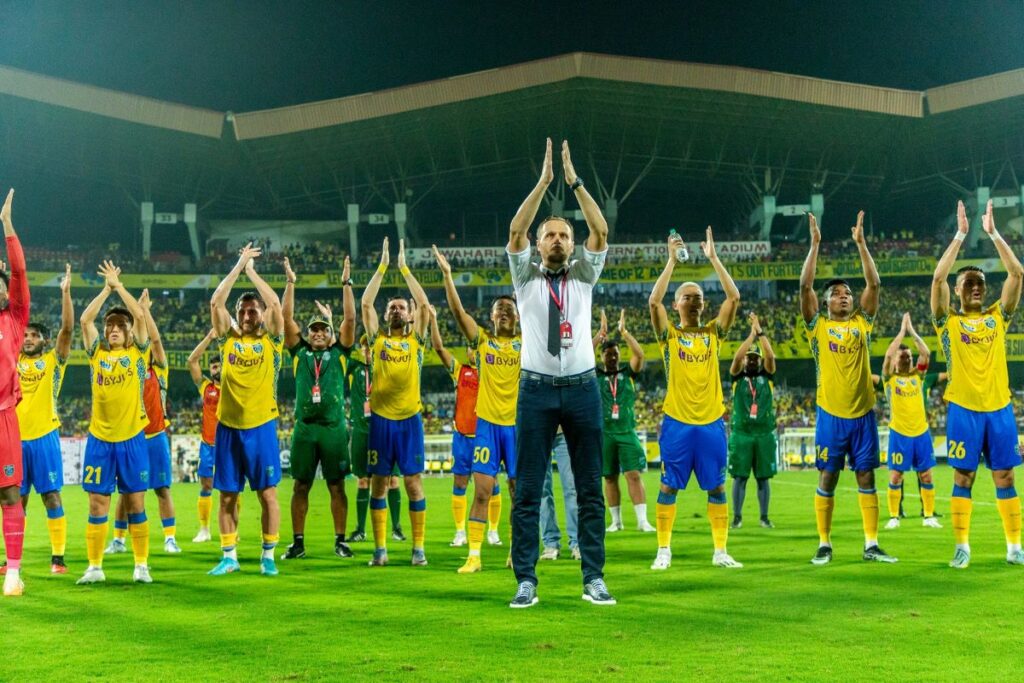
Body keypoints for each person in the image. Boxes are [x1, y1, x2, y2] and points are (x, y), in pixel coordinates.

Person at [507, 139, 613, 608]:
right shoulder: (524, 276)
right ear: (538, 244)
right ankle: (526, 580)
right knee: (529, 491)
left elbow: (601, 230)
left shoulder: (584, 276)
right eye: (549, 235)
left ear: (572, 245)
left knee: (589, 490)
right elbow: (515, 229)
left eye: (563, 236)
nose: (556, 240)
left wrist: (574, 182)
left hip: (583, 390)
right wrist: (544, 182)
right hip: (536, 392)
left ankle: (594, 578)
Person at [931, 200, 1024, 568]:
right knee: (964, 476)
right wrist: (960, 235)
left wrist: (994, 233)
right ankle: (962, 547)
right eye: (968, 283)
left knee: (1005, 475)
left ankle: (1014, 547)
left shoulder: (997, 318)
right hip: (964, 408)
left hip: (999, 407)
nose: (976, 287)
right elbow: (937, 279)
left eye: (980, 283)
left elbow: (1016, 274)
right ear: (957, 290)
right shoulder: (947, 323)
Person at [800, 211, 895, 565]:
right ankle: (824, 544)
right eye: (837, 294)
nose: (844, 297)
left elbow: (875, 285)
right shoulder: (817, 326)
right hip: (830, 414)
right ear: (825, 302)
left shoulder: (862, 322)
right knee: (828, 476)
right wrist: (814, 245)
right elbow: (805, 287)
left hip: (863, 414)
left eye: (847, 294)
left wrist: (861, 244)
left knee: (867, 475)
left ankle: (871, 544)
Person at [649, 228, 742, 571]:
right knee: (667, 486)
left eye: (698, 296)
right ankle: (664, 550)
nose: (694, 299)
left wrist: (714, 259)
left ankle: (720, 551)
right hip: (677, 421)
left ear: (704, 304)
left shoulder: (714, 333)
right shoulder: (669, 335)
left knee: (717, 486)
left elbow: (733, 298)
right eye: (687, 296)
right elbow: (653, 302)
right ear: (676, 305)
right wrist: (671, 262)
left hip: (711, 422)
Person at [434, 245, 522, 573]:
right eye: (499, 309)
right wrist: (448, 276)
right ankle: (474, 555)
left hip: (517, 427)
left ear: (518, 316)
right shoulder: (482, 342)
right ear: (491, 317)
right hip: (486, 426)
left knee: (518, 494)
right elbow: (458, 314)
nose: (503, 312)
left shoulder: (527, 343)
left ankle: (516, 552)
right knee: (482, 491)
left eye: (509, 309)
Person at [207, 243, 285, 577]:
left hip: (261, 426)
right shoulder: (226, 339)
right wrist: (239, 266)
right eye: (242, 311)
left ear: (262, 315)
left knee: (267, 494)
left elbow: (276, 304)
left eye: (253, 311)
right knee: (227, 496)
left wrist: (252, 272)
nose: (247, 316)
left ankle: (268, 556)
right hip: (228, 427)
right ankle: (229, 557)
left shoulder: (272, 341)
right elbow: (216, 302)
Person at [76, 260, 153, 585]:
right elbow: (85, 319)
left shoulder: (138, 354)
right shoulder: (97, 354)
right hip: (99, 439)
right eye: (110, 326)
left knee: (135, 501)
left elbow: (141, 317)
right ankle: (95, 567)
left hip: (132, 437)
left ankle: (141, 566)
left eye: (121, 325)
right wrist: (106, 290)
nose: (114, 329)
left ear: (130, 332)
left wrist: (119, 286)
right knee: (97, 503)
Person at [360, 237, 431, 567]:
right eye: (392, 308)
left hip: (410, 421)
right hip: (381, 421)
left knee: (413, 484)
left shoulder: (417, 340)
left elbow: (424, 304)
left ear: (410, 314)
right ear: (386, 315)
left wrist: (403, 268)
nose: (397, 311)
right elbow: (365, 304)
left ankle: (418, 549)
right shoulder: (377, 340)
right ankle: (380, 550)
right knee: (378, 485)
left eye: (402, 308)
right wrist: (382, 267)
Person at [280, 256, 356, 560]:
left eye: (323, 329)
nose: (319, 333)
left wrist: (346, 283)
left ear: (330, 333)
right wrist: (290, 283)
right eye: (314, 329)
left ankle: (341, 540)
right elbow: (286, 318)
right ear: (308, 334)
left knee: (337, 486)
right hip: (305, 428)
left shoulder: (340, 354)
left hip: (333, 428)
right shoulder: (299, 353)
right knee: (300, 486)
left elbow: (350, 320)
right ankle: (298, 542)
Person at [106, 289, 181, 555]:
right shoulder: (130, 365)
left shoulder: (159, 370)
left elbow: (156, 341)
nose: (146, 348)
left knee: (162, 489)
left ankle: (170, 538)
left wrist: (145, 312)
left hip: (156, 436)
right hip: (131, 437)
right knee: (127, 491)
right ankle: (118, 540)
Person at [15, 263, 72, 575]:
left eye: (34, 335)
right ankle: (13, 560)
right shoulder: (11, 358)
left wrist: (65, 293)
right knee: (16, 500)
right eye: (25, 334)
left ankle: (58, 558)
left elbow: (67, 330)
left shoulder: (53, 361)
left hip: (45, 437)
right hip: (14, 438)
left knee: (51, 495)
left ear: (44, 341)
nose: (28, 338)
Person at [592, 309, 654, 533]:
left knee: (633, 475)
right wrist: (600, 335)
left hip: (627, 431)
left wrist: (624, 333)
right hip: (605, 433)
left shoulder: (628, 373)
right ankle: (616, 521)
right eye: (608, 354)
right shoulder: (596, 375)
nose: (612, 357)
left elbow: (640, 355)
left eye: (616, 354)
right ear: (602, 357)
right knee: (609, 477)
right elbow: (584, 355)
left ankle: (642, 521)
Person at [425, 307, 482, 548]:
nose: (473, 352)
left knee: (489, 485)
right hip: (462, 437)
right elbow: (438, 348)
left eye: (476, 348)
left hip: (485, 436)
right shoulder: (460, 371)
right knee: (459, 483)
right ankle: (460, 532)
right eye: (470, 348)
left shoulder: (493, 372)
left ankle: (492, 530)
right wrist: (434, 320)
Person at [880, 313, 943, 530]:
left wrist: (911, 331)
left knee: (926, 475)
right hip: (899, 433)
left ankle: (928, 516)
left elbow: (925, 353)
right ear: (895, 361)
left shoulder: (918, 376)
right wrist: (901, 332)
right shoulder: (889, 379)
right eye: (903, 357)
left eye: (908, 356)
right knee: (896, 476)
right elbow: (888, 356)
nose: (907, 359)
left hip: (921, 433)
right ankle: (894, 517)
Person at [0, 189, 31, 595]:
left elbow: (20, 273)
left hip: (4, 416)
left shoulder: (15, 318)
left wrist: (8, 226)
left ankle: (12, 574)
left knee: (9, 493)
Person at [345, 334, 404, 543]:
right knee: (363, 481)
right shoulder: (354, 368)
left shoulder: (387, 367)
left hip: (385, 430)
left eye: (371, 347)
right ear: (361, 350)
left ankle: (396, 528)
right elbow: (338, 354)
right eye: (365, 348)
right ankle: (360, 530)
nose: (368, 351)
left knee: (393, 480)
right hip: (361, 431)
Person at [727, 312, 778, 530]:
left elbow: (771, 357)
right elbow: (736, 358)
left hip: (764, 435)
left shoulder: (767, 376)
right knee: (739, 477)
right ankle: (737, 517)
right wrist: (751, 336)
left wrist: (760, 333)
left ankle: (764, 517)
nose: (752, 360)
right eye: (750, 357)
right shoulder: (737, 377)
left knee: (763, 478)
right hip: (742, 435)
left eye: (756, 357)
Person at [186, 330, 225, 542]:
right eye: (213, 367)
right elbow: (192, 361)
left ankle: (232, 530)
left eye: (219, 366)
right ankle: (204, 530)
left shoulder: (234, 386)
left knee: (230, 488)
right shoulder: (205, 387)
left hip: (229, 445)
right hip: (208, 445)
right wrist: (209, 338)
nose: (216, 369)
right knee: (206, 486)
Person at [539, 430, 578, 560]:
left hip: (564, 432)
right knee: (542, 490)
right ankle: (550, 543)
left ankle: (577, 543)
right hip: (540, 431)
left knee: (572, 487)